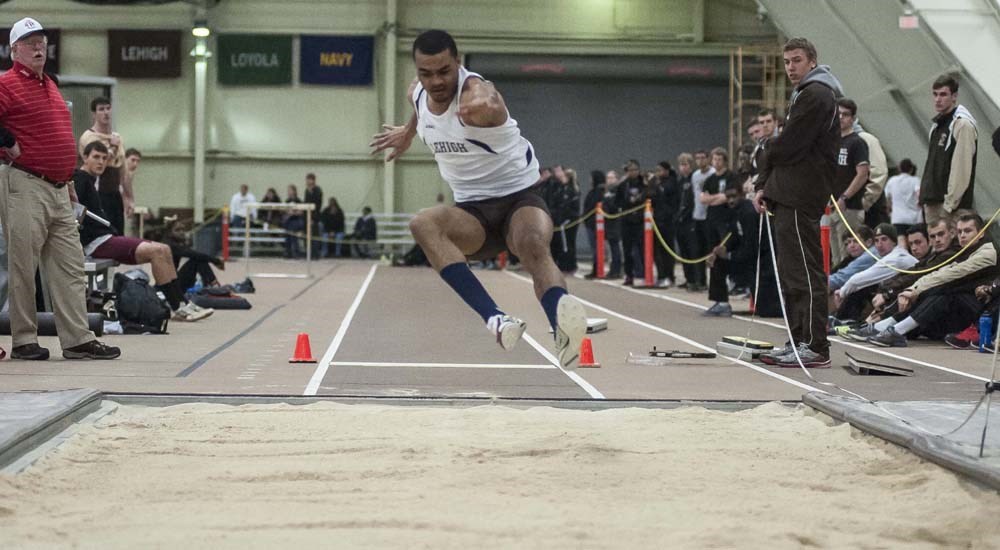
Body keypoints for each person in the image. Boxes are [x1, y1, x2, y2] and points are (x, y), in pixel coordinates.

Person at [369, 29, 588, 368]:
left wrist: (485, 103)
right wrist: (408, 133)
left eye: (445, 71)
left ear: (458, 62)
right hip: (473, 213)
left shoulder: (478, 97)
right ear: (417, 72)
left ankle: (563, 329)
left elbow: (488, 97)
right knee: (422, 224)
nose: (436, 81)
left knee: (532, 244)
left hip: (520, 199)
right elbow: (421, 108)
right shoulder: (417, 92)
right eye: (426, 73)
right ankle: (497, 320)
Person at [0, 17, 120, 360]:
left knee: (70, 265)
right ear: (15, 50)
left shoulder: (49, 84)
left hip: (58, 188)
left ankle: (78, 339)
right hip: (24, 183)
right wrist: (7, 140)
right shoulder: (6, 84)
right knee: (24, 266)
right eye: (30, 43)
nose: (38, 47)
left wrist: (67, 181)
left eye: (41, 42)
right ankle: (24, 340)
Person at [753, 37, 843, 368]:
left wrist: (765, 149)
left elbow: (790, 145)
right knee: (792, 274)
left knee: (805, 272)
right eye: (787, 61)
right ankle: (798, 340)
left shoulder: (817, 94)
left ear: (812, 61)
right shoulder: (803, 94)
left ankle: (815, 345)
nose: (790, 67)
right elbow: (787, 147)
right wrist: (765, 184)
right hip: (788, 193)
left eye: (797, 60)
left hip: (801, 194)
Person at [75, 142, 213, 322]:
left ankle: (182, 302)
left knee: (165, 249)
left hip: (107, 237)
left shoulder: (95, 181)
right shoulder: (80, 179)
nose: (101, 162)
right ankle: (178, 307)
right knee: (157, 251)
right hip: (97, 243)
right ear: (85, 157)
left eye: (103, 158)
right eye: (96, 157)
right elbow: (73, 213)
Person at [866, 213, 997, 347]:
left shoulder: (987, 253)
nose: (962, 235)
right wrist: (911, 290)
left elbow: (951, 274)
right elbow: (934, 273)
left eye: (967, 231)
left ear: (981, 233)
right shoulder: (964, 252)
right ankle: (887, 326)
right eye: (960, 232)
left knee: (943, 291)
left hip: (984, 313)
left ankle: (894, 329)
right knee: (931, 290)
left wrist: (913, 290)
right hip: (965, 308)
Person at [920, 74, 978, 225]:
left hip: (951, 207)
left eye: (943, 94)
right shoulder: (937, 125)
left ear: (954, 96)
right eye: (935, 94)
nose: (938, 99)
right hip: (933, 202)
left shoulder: (962, 124)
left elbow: (961, 168)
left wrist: (950, 204)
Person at [832, 223, 917, 322]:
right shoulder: (893, 254)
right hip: (904, 296)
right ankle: (847, 321)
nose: (879, 244)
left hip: (912, 299)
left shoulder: (896, 258)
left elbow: (858, 280)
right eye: (876, 241)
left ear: (894, 241)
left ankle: (844, 321)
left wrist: (841, 292)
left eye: (884, 239)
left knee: (862, 287)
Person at [78, 96, 127, 236]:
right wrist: (112, 147)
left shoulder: (116, 137)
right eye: (101, 109)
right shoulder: (88, 137)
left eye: (108, 108)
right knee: (104, 231)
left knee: (118, 232)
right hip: (98, 191)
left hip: (115, 192)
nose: (106, 112)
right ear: (94, 114)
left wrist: (128, 196)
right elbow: (96, 164)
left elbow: (123, 167)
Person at [829, 98, 870, 264]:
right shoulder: (831, 142)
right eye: (838, 114)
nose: (840, 118)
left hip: (849, 207)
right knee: (835, 258)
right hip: (831, 206)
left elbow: (862, 174)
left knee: (849, 255)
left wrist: (845, 197)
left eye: (845, 115)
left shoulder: (857, 142)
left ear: (853, 118)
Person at [702, 148, 740, 314]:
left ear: (724, 160)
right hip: (711, 221)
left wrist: (715, 198)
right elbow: (703, 199)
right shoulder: (710, 179)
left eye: (719, 159)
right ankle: (719, 299)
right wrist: (715, 198)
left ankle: (729, 295)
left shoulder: (731, 177)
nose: (716, 162)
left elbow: (726, 197)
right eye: (714, 159)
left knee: (722, 256)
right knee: (713, 259)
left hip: (726, 223)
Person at [161, 217, 225, 291]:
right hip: (168, 287)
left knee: (198, 258)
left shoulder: (174, 242)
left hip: (172, 282)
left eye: (183, 229)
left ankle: (210, 285)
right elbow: (194, 254)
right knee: (197, 259)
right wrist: (216, 261)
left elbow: (194, 254)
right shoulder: (170, 245)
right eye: (177, 230)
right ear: (169, 233)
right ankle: (213, 285)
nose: (181, 232)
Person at [648, 161, 679, 288]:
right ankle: (661, 275)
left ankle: (669, 276)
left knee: (667, 250)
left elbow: (664, 192)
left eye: (660, 170)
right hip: (657, 220)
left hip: (668, 221)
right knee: (656, 250)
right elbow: (650, 196)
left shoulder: (672, 182)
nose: (658, 173)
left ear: (666, 170)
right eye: (657, 170)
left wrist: (655, 183)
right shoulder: (656, 182)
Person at [616, 159, 646, 286]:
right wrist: (628, 202)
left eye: (635, 169)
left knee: (642, 249)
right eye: (630, 170)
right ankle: (629, 275)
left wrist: (639, 199)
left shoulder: (644, 183)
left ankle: (645, 274)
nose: (633, 172)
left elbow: (650, 196)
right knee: (627, 250)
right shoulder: (623, 185)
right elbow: (617, 202)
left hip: (641, 221)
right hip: (627, 221)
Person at [674, 153, 702, 290]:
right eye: (681, 165)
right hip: (680, 221)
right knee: (684, 251)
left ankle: (697, 280)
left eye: (685, 164)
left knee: (693, 251)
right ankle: (688, 278)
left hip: (691, 219)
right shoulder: (680, 182)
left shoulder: (694, 179)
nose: (683, 167)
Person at [689, 150, 714, 291]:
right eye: (697, 158)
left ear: (708, 159)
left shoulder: (713, 174)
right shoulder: (695, 175)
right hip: (697, 216)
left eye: (702, 158)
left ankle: (715, 282)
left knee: (711, 249)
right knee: (698, 250)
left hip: (710, 216)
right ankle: (701, 281)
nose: (700, 161)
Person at [549, 166, 580, 274]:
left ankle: (569, 266)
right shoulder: (562, 188)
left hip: (568, 220)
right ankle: (565, 265)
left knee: (567, 244)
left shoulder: (571, 190)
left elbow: (568, 207)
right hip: (562, 220)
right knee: (564, 244)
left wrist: (562, 217)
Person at [884, 158, 921, 244]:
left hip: (897, 217)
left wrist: (889, 210)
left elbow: (887, 198)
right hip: (913, 218)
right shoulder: (916, 180)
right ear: (911, 169)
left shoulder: (892, 180)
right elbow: (919, 194)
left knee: (901, 241)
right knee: (913, 242)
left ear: (899, 168)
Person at [582, 170, 605, 279]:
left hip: (595, 223)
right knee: (594, 247)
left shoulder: (599, 192)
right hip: (590, 222)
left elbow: (593, 205)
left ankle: (597, 269)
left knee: (596, 247)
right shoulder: (592, 191)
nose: (590, 180)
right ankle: (595, 268)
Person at [601, 169, 623, 278]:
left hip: (616, 223)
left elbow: (614, 206)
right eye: (607, 178)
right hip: (608, 223)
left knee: (616, 248)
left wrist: (607, 202)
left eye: (611, 178)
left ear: (616, 179)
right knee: (611, 248)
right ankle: (613, 269)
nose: (609, 180)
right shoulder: (607, 192)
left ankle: (617, 270)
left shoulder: (617, 191)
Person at [304, 173, 323, 257]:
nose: (307, 182)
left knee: (314, 235)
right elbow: (306, 203)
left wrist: (312, 218)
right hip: (307, 216)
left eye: (309, 180)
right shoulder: (306, 191)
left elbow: (317, 205)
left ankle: (315, 253)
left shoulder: (318, 190)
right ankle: (308, 253)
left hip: (315, 216)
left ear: (313, 180)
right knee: (307, 235)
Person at [122, 147, 141, 230]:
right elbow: (124, 189)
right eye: (133, 160)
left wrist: (129, 202)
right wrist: (131, 202)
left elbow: (126, 191)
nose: (135, 164)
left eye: (138, 161)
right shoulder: (121, 172)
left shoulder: (130, 174)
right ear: (125, 159)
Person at [282, 184, 304, 258]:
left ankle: (294, 252)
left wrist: (293, 213)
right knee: (288, 231)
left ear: (294, 191)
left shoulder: (298, 200)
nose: (288, 192)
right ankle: (289, 252)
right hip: (289, 221)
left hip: (297, 220)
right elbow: (285, 212)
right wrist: (288, 213)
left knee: (292, 230)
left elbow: (301, 212)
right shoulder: (287, 201)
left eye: (290, 190)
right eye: (288, 190)